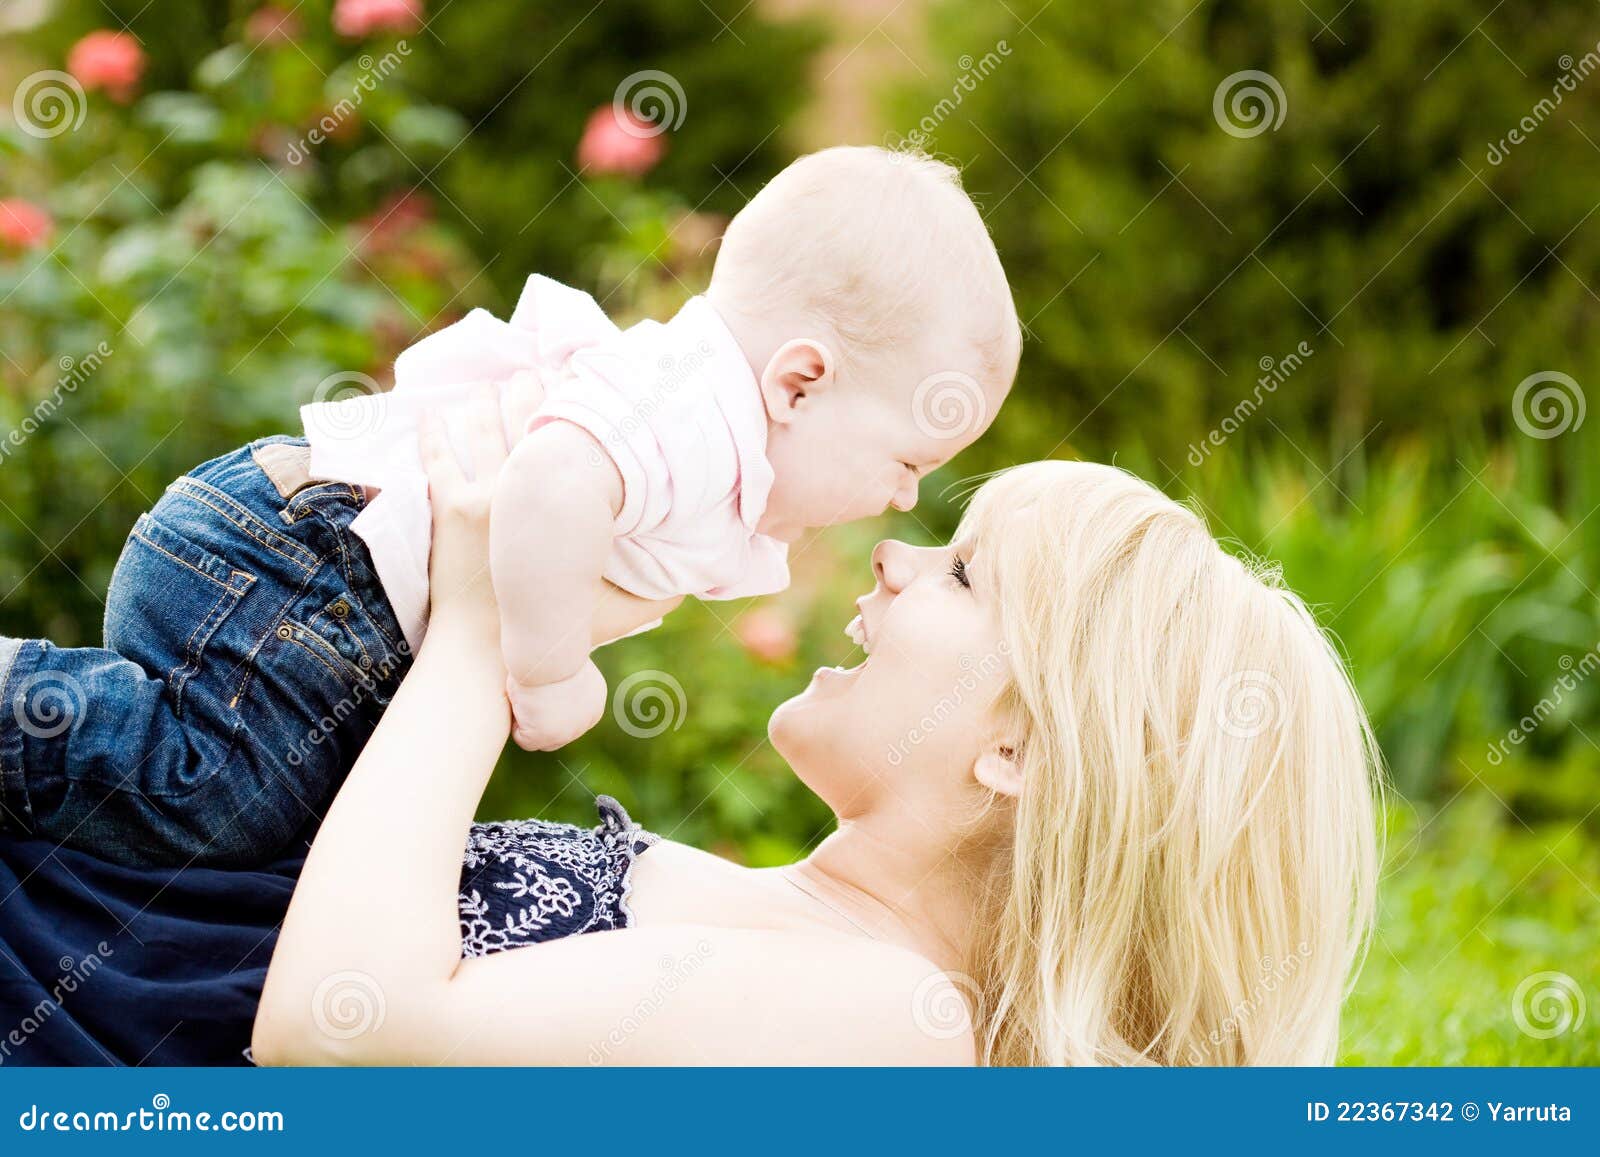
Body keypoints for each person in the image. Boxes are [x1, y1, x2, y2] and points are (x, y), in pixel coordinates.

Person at [245, 398, 1380, 1066]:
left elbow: (335, 1035)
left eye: (964, 574)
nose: (892, 554)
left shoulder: (901, 1022)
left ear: (1022, 752)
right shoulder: (813, 942)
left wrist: (476, 636)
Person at [0, 146, 1021, 869]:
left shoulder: (711, 426)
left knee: (270, 839)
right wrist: (550, 668)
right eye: (907, 458)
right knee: (220, 798)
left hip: (302, 582)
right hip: (302, 568)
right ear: (799, 383)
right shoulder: (694, 413)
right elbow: (549, 481)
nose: (903, 496)